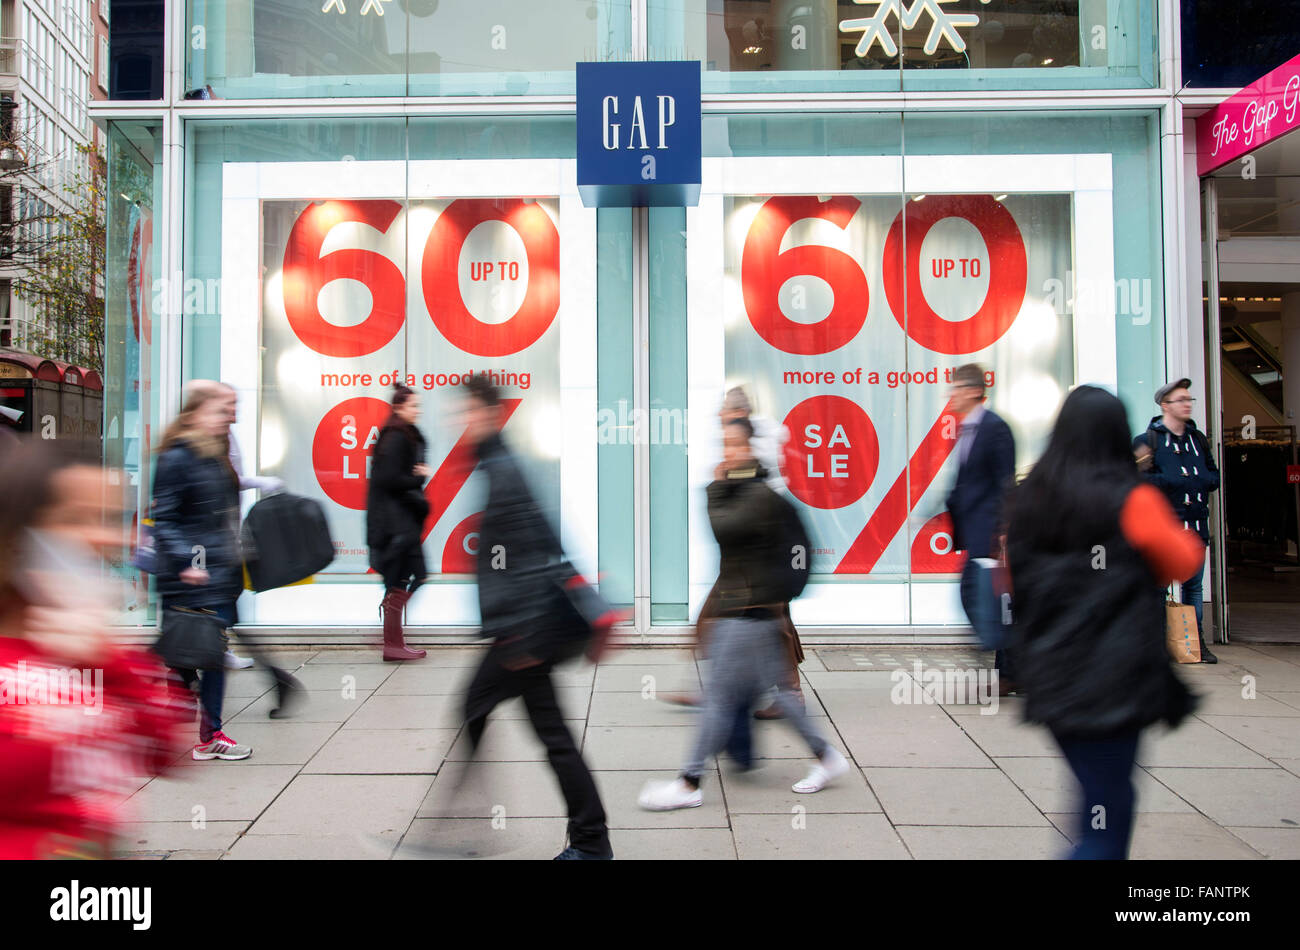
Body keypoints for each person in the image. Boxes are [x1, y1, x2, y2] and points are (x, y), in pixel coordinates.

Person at [1005, 385, 1203, 860]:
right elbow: (1183, 561)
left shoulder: (1029, 498)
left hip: (1052, 676)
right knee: (1107, 820)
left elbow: (1010, 582)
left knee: (1098, 800)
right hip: (1114, 680)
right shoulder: (1131, 499)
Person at [638, 417, 848, 811]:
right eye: (724, 444)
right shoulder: (752, 491)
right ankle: (827, 757)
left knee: (718, 698)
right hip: (752, 613)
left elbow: (724, 527)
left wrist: (715, 486)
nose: (726, 452)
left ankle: (688, 782)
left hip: (746, 613)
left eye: (734, 445)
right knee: (779, 697)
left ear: (752, 450)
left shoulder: (755, 496)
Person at [0, 439, 187, 858]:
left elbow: (168, 748)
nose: (110, 538)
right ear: (19, 531)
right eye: (75, 519)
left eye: (114, 519)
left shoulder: (95, 648)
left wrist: (108, 659)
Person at [459, 373, 613, 860]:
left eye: (468, 411)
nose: (460, 421)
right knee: (538, 731)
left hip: (521, 635)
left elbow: (525, 554)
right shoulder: (498, 466)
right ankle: (588, 840)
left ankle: (588, 842)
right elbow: (546, 543)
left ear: (490, 413)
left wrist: (519, 636)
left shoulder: (502, 470)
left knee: (501, 719)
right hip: (523, 631)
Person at [150, 382, 252, 761]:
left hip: (218, 573)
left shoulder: (217, 451)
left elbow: (223, 514)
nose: (232, 415)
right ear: (196, 412)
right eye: (224, 408)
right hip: (191, 577)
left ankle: (209, 734)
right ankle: (173, 728)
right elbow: (165, 520)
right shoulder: (177, 457)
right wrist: (188, 565)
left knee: (211, 655)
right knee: (187, 658)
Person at [200, 381, 304, 714]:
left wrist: (259, 482)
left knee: (219, 621)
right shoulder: (200, 443)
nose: (235, 410)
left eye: (234, 403)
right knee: (217, 622)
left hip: (220, 549)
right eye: (228, 404)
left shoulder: (223, 439)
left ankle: (275, 680)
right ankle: (276, 680)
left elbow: (232, 481)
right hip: (207, 551)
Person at [1134, 378, 1220, 663]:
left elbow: (1214, 475)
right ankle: (1157, 645)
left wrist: (1200, 479)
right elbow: (1138, 481)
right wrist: (1173, 480)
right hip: (1165, 527)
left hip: (1196, 525)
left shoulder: (1198, 440)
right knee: (1159, 587)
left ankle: (1195, 644)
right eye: (1181, 399)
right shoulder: (1148, 441)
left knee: (1194, 586)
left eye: (1189, 399)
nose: (1187, 404)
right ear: (1165, 405)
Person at [945, 363, 1018, 693]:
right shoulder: (967, 429)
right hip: (974, 527)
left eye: (958, 388)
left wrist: (1001, 530)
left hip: (989, 531)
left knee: (987, 596)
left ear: (975, 391)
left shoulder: (994, 428)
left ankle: (1006, 664)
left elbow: (1005, 481)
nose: (952, 395)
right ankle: (1004, 661)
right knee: (983, 595)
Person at [366, 384, 430, 662]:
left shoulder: (403, 435)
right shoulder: (395, 438)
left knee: (403, 581)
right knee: (406, 579)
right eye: (414, 406)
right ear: (399, 408)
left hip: (401, 523)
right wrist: (419, 477)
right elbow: (388, 480)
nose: (418, 410)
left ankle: (393, 641)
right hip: (396, 526)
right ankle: (391, 642)